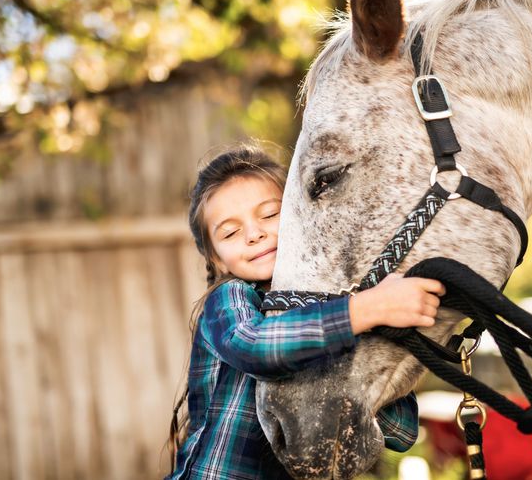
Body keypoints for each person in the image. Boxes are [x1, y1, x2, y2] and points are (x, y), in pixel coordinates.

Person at [167, 146, 446, 479]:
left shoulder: (327, 308)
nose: (254, 234)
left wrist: (379, 330)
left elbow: (400, 431)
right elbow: (254, 346)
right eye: (230, 232)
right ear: (217, 260)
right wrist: (369, 309)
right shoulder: (229, 299)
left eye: (270, 214)